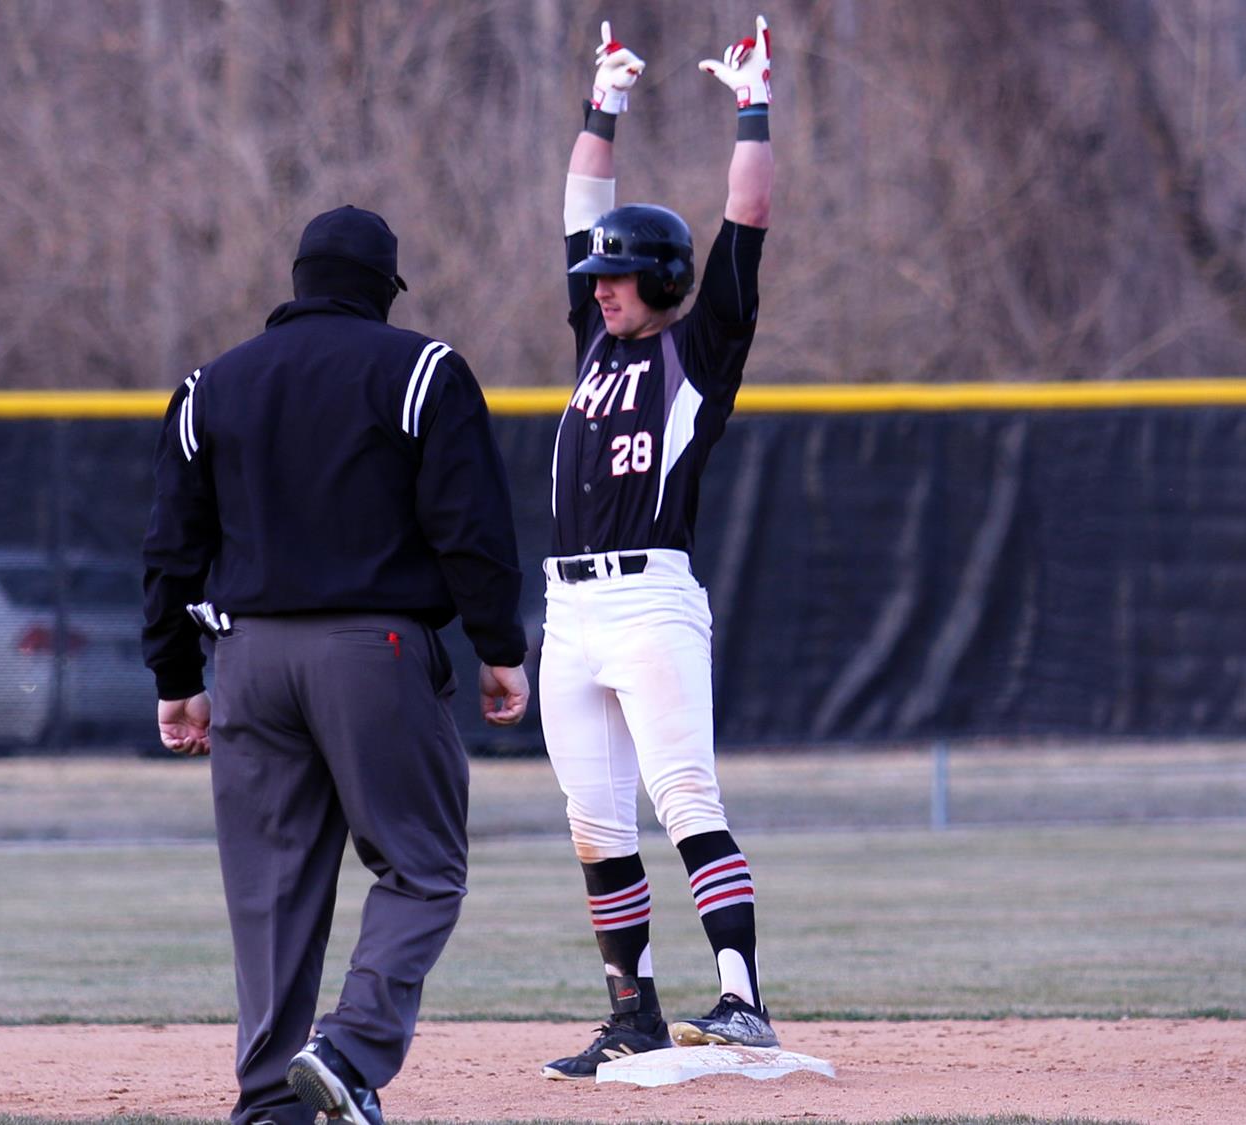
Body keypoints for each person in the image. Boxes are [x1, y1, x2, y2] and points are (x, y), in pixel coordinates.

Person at [142, 205, 531, 1125]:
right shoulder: (421, 370)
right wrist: (499, 647)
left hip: (246, 657)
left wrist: (174, 675)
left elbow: (169, 545)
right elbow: (469, 525)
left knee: (270, 892)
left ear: (299, 281)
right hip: (374, 650)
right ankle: (349, 1052)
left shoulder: (213, 384)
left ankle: (271, 1102)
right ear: (382, 291)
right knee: (424, 865)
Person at [535, 16, 777, 1081]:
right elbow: (581, 208)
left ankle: (739, 998)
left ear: (663, 281)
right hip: (569, 612)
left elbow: (748, 220)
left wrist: (754, 108)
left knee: (685, 799)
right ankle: (629, 1011)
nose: (598, 286)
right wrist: (604, 104)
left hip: (649, 601)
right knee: (596, 820)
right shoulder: (595, 338)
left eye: (616, 277)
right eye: (594, 278)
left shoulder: (698, 346)